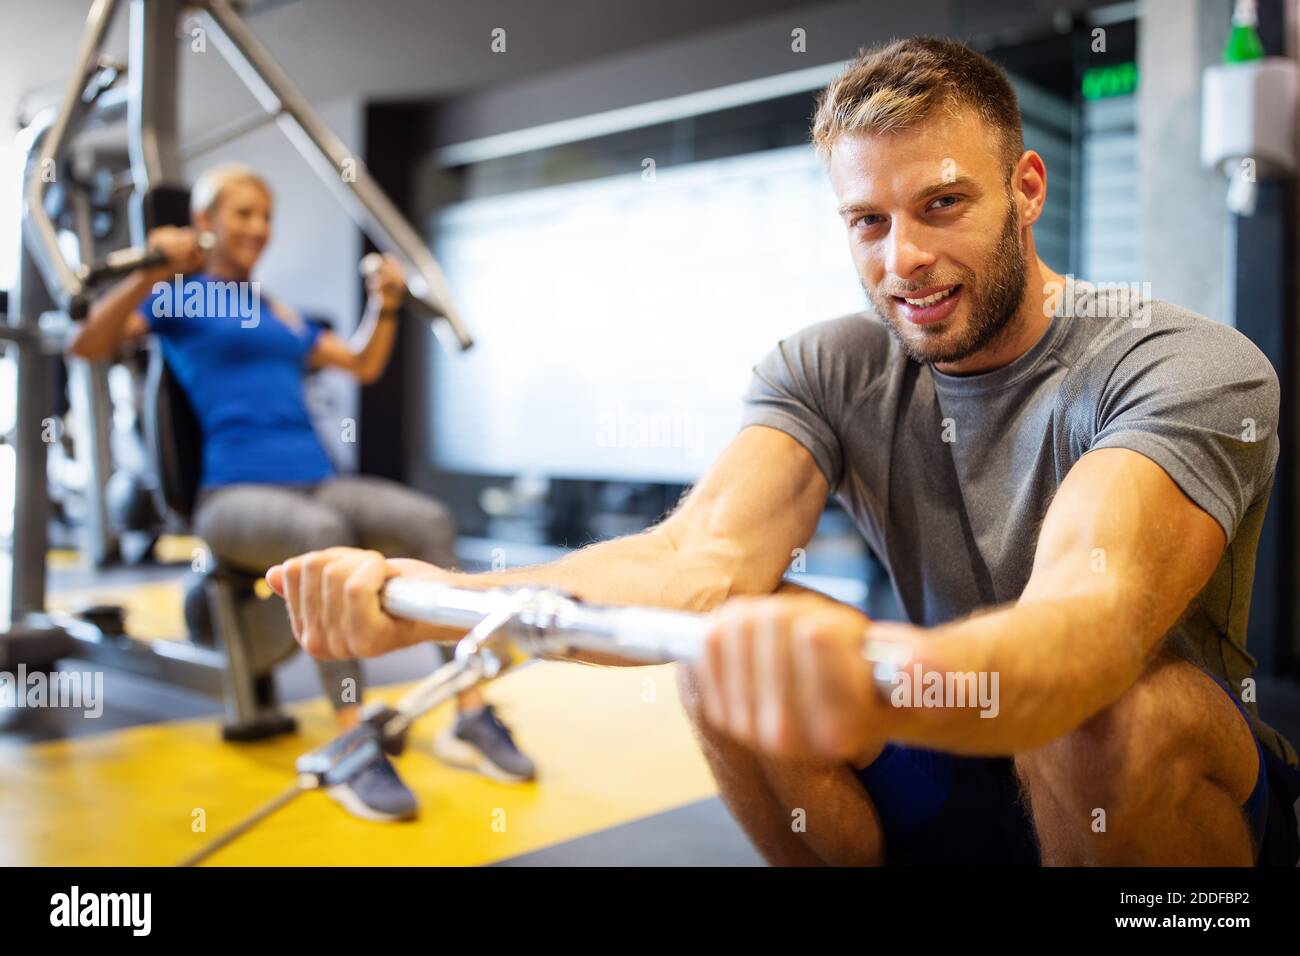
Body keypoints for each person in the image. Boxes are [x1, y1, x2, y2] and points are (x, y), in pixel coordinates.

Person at [265, 38, 1300, 865]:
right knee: (726, 646)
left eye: (942, 204)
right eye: (867, 221)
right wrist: (426, 590)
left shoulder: (1181, 364)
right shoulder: (832, 363)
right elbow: (694, 563)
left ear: (1026, 189)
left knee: (1112, 714)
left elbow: (1081, 631)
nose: (904, 259)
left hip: (1146, 789)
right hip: (955, 759)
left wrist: (878, 675)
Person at [68, 164, 536, 822]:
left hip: (317, 482)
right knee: (323, 537)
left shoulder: (274, 308)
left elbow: (363, 362)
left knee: (426, 520)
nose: (259, 228)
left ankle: (470, 712)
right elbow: (87, 343)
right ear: (205, 223)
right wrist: (151, 271)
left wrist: (387, 304)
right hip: (231, 497)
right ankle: (351, 737)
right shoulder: (182, 299)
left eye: (266, 215)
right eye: (243, 214)